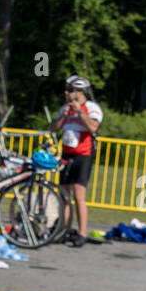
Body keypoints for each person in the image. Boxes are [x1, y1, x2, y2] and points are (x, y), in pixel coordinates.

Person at [49, 75, 103, 248]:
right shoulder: (65, 107)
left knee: (79, 195)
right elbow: (53, 128)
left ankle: (82, 233)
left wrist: (79, 111)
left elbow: (94, 127)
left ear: (80, 92)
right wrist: (63, 116)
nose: (67, 93)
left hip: (83, 155)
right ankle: (63, 230)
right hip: (67, 155)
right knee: (64, 196)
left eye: (71, 90)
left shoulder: (91, 107)